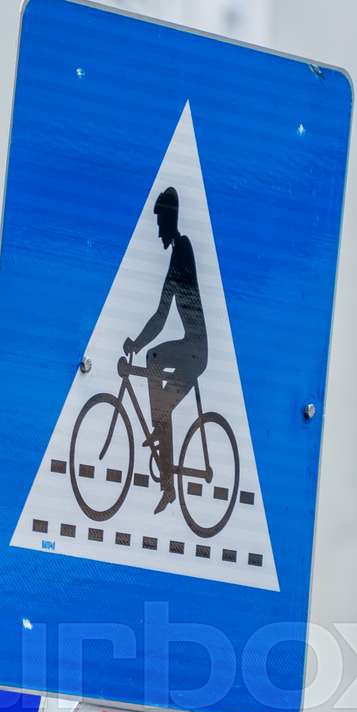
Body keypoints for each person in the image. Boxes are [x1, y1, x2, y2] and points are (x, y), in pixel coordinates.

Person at [123, 186, 208, 514]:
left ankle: (169, 484)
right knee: (152, 358)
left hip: (196, 349)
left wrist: (137, 344)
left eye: (160, 221)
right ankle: (161, 429)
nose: (157, 229)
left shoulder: (182, 249)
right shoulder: (178, 251)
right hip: (190, 347)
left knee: (154, 360)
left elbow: (161, 316)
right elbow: (161, 314)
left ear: (170, 219)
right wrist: (136, 342)